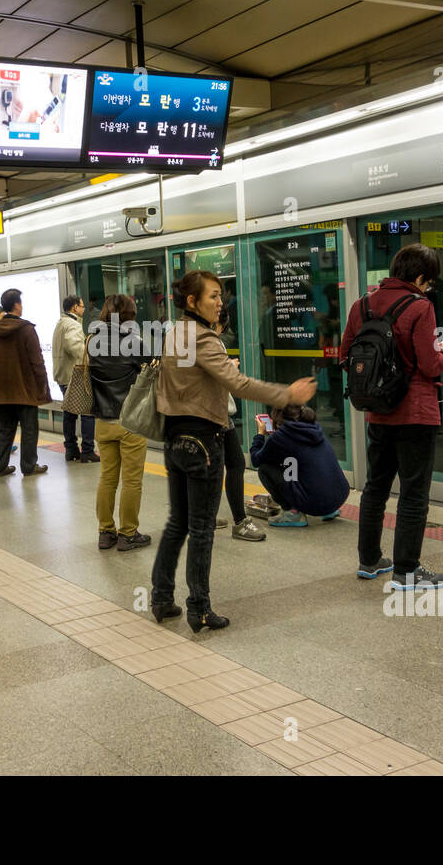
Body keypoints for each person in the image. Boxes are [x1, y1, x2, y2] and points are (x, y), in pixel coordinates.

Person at [153, 270, 317, 632]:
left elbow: (184, 381)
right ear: (192, 301)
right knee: (201, 527)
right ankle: (200, 607)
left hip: (175, 438)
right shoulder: (202, 338)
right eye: (212, 296)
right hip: (203, 441)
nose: (219, 303)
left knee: (178, 522)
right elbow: (239, 385)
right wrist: (286, 395)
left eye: (220, 296)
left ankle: (162, 598)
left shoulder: (174, 334)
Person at [340, 244, 443, 589]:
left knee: (376, 487)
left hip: (378, 413)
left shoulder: (362, 305)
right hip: (416, 412)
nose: (428, 287)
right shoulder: (420, 306)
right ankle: (408, 570)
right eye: (429, 281)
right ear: (420, 278)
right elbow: (429, 363)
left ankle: (370, 559)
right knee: (414, 492)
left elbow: (346, 354)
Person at [87, 294, 151, 551]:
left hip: (103, 421)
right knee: (132, 480)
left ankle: (105, 532)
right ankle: (128, 534)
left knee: (107, 478)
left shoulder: (91, 341)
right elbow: (152, 373)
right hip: (131, 422)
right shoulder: (135, 342)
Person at [0, 288, 51, 477]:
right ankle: (29, 466)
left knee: (4, 430)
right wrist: (42, 384)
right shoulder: (26, 329)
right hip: (25, 389)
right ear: (16, 305)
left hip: (3, 391)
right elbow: (36, 360)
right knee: (29, 430)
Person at [212, 307, 265, 541]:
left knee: (213, 468)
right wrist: (231, 369)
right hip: (217, 413)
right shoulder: (211, 342)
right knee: (234, 464)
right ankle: (240, 521)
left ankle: (207, 517)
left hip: (207, 415)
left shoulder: (187, 338)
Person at [250, 404, 348, 527]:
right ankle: (329, 511)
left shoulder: (279, 437)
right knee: (293, 463)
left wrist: (260, 434)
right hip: (339, 497)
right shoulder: (314, 428)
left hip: (315, 504)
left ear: (278, 419)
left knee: (265, 468)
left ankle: (292, 513)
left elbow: (255, 460)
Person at [53, 295, 98, 463]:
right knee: (87, 412)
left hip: (63, 374)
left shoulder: (60, 323)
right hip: (74, 375)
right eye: (82, 306)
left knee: (69, 413)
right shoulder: (72, 325)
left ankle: (71, 449)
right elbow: (75, 348)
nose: (84, 309)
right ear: (74, 308)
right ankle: (87, 450)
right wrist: (88, 359)